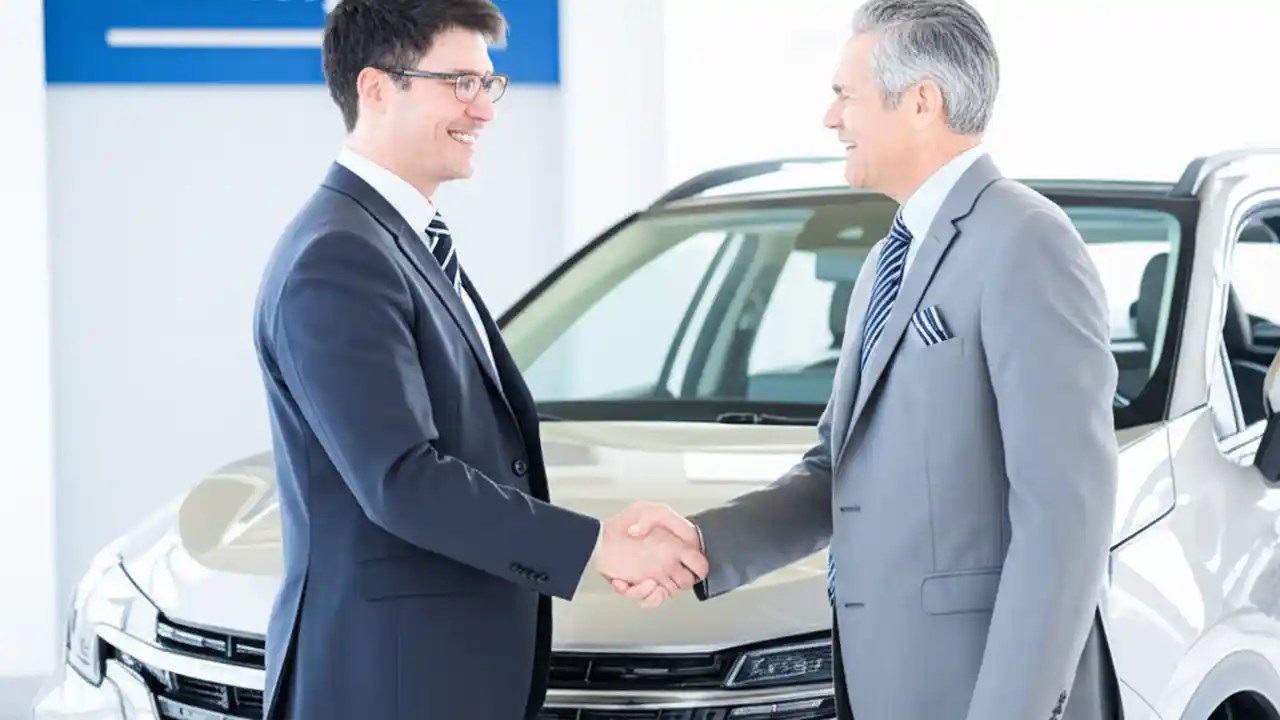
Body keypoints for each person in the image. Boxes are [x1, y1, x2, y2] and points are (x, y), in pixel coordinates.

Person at [614, 1, 1121, 718]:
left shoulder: (1027, 241)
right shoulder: (891, 257)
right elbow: (835, 471)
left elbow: (1065, 515)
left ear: (921, 102)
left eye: (843, 95)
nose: (830, 119)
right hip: (892, 686)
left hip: (983, 693)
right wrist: (704, 542)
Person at [251, 1, 706, 718]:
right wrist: (597, 548)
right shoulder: (339, 257)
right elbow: (402, 479)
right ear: (375, 88)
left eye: (487, 85)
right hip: (390, 683)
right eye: (459, 83)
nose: (484, 110)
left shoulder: (397, 239)